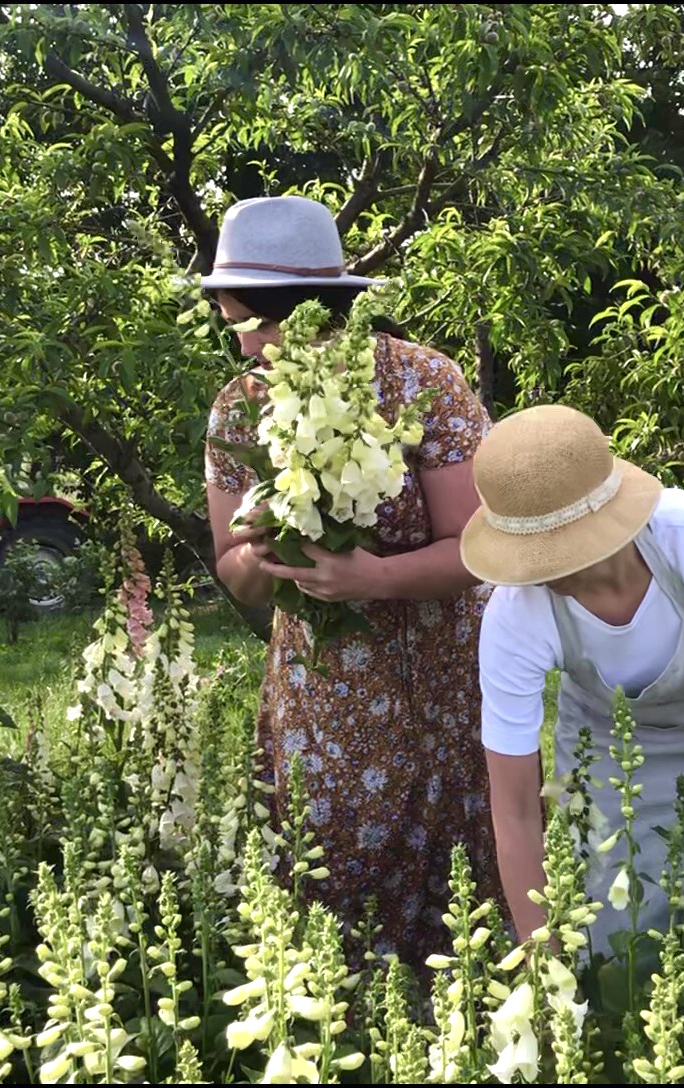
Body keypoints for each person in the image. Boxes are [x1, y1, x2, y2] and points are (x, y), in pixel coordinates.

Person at [201, 195, 498, 964]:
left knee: (453, 891)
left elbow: (480, 550)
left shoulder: (424, 383)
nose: (243, 346)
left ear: (305, 312)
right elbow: (234, 576)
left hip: (440, 682)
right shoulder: (238, 411)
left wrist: (376, 576)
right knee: (325, 885)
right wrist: (258, 552)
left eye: (251, 324)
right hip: (321, 698)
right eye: (232, 325)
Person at [460, 405, 684, 956]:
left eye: (551, 552)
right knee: (609, 938)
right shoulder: (514, 616)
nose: (537, 571)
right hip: (603, 754)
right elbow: (516, 808)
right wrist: (540, 956)